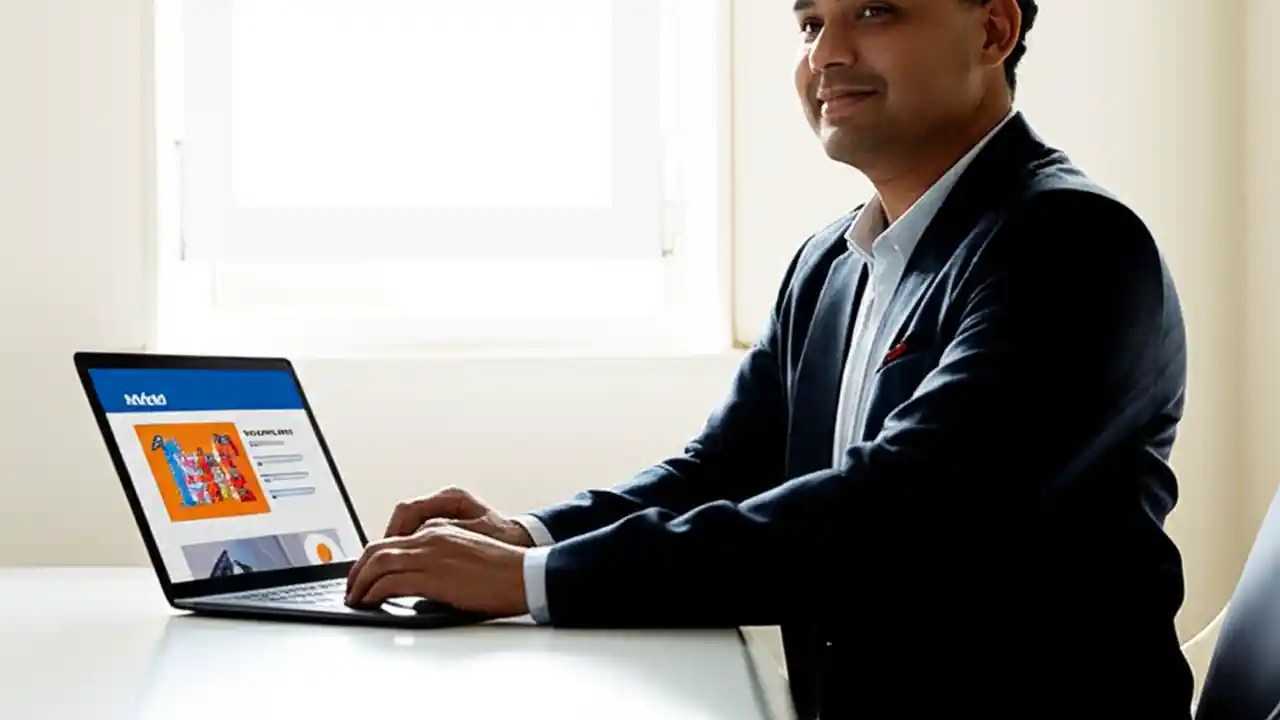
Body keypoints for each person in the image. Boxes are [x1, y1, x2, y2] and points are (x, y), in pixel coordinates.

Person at [346, 0, 1195, 716]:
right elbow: (721, 467)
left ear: (992, 31)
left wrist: (534, 579)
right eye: (809, 23)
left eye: (873, 11)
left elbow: (896, 514)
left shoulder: (1070, 243)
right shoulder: (830, 261)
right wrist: (528, 534)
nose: (827, 53)